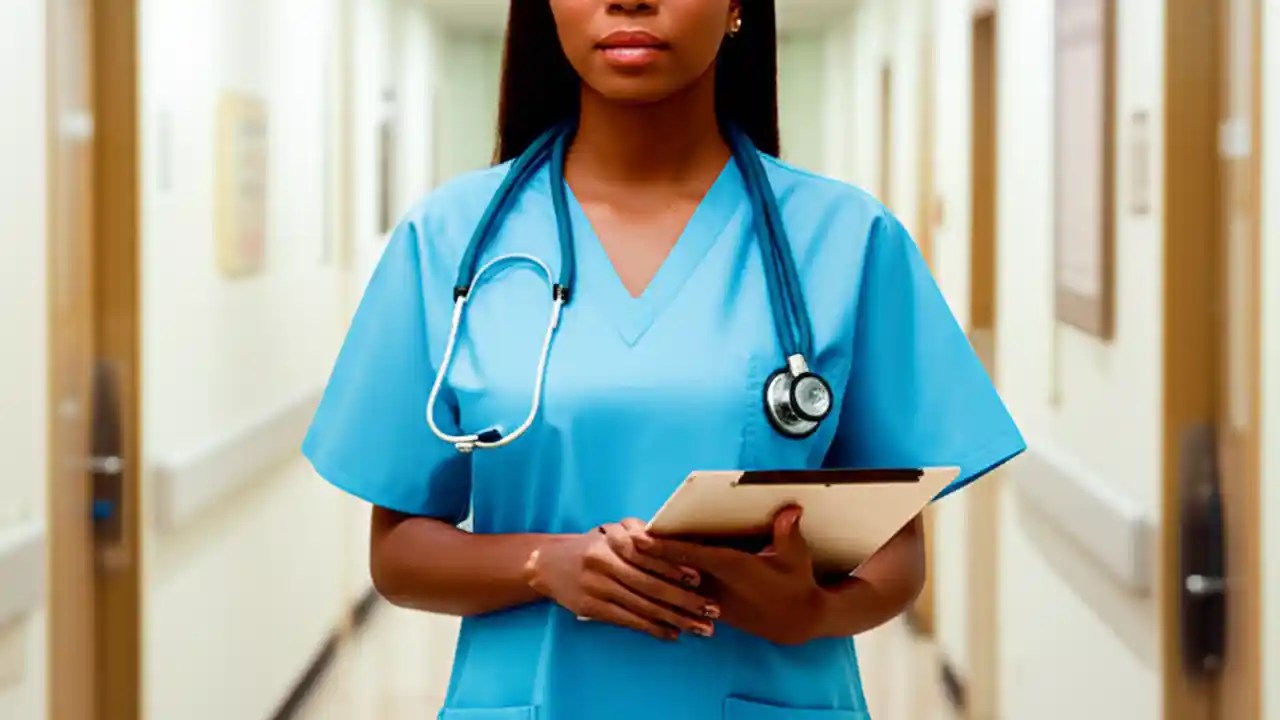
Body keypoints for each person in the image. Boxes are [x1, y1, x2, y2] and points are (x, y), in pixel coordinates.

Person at [302, 0, 1026, 718]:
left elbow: (898, 554)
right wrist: (543, 565)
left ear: (737, 6)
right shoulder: (449, 240)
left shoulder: (845, 239)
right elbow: (397, 556)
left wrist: (813, 612)